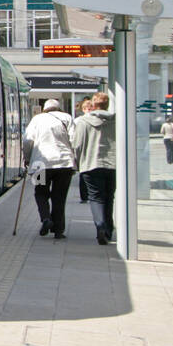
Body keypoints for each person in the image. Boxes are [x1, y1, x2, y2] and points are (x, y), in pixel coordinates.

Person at [22, 98, 76, 239]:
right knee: (59, 197)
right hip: (64, 164)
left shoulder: (37, 119)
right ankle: (58, 230)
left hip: (40, 164)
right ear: (58, 108)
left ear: (45, 109)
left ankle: (46, 218)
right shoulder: (67, 118)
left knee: (40, 192)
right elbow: (74, 140)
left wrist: (27, 158)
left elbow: (27, 140)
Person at [72, 91, 117, 245]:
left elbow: (77, 145)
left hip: (90, 164)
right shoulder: (117, 121)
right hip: (113, 165)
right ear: (107, 104)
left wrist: (77, 162)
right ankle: (109, 229)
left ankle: (100, 226)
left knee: (96, 197)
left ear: (92, 104)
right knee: (109, 197)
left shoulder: (83, 122)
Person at [76, 97, 94, 202]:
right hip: (86, 153)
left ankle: (85, 197)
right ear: (83, 109)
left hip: (85, 153)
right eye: (87, 108)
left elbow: (76, 141)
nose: (89, 110)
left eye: (90, 108)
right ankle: (84, 197)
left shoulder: (79, 121)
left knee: (85, 176)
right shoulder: (78, 121)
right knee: (84, 177)